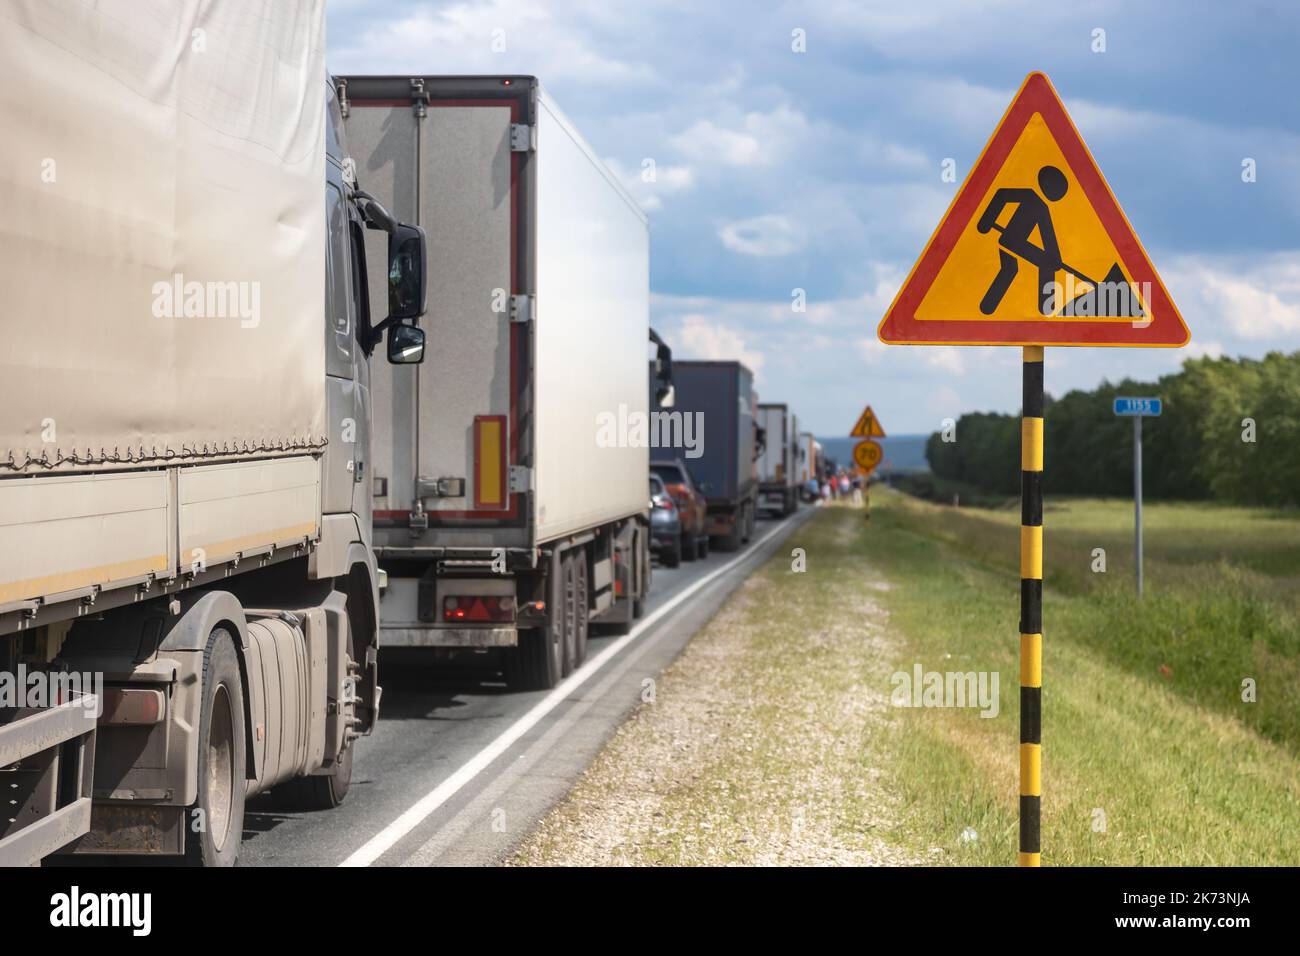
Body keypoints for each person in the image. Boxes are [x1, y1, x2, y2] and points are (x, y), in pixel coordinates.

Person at [976, 164, 1069, 315]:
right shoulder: (1033, 198)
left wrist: (1055, 258)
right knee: (1043, 264)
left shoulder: (1041, 206)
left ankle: (987, 308)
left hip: (1011, 241)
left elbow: (1048, 237)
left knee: (1010, 269)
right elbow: (1001, 195)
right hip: (1013, 241)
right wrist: (985, 222)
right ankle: (1045, 308)